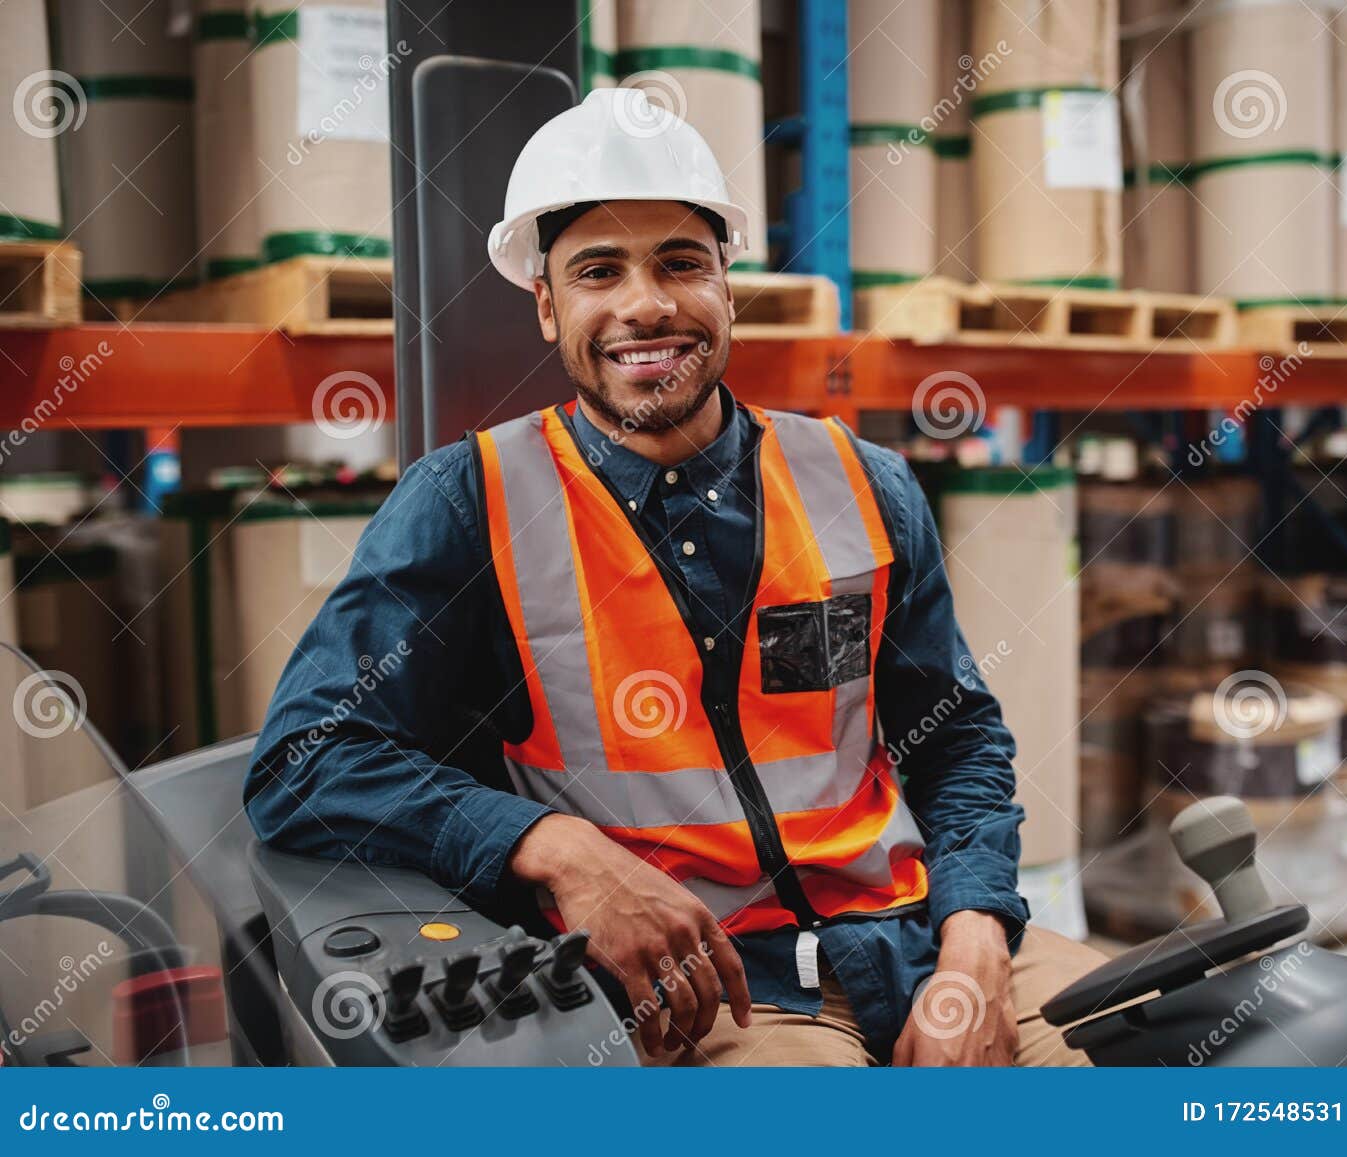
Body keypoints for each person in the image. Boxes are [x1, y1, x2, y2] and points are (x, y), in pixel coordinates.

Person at [244, 87, 1105, 1066]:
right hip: (721, 986)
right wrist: (557, 847)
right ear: (547, 305)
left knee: (1172, 1044)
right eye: (598, 271)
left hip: (917, 935)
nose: (644, 302)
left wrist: (978, 939)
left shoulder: (862, 483)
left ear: (727, 289)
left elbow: (956, 741)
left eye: (681, 264)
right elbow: (305, 761)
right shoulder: (467, 501)